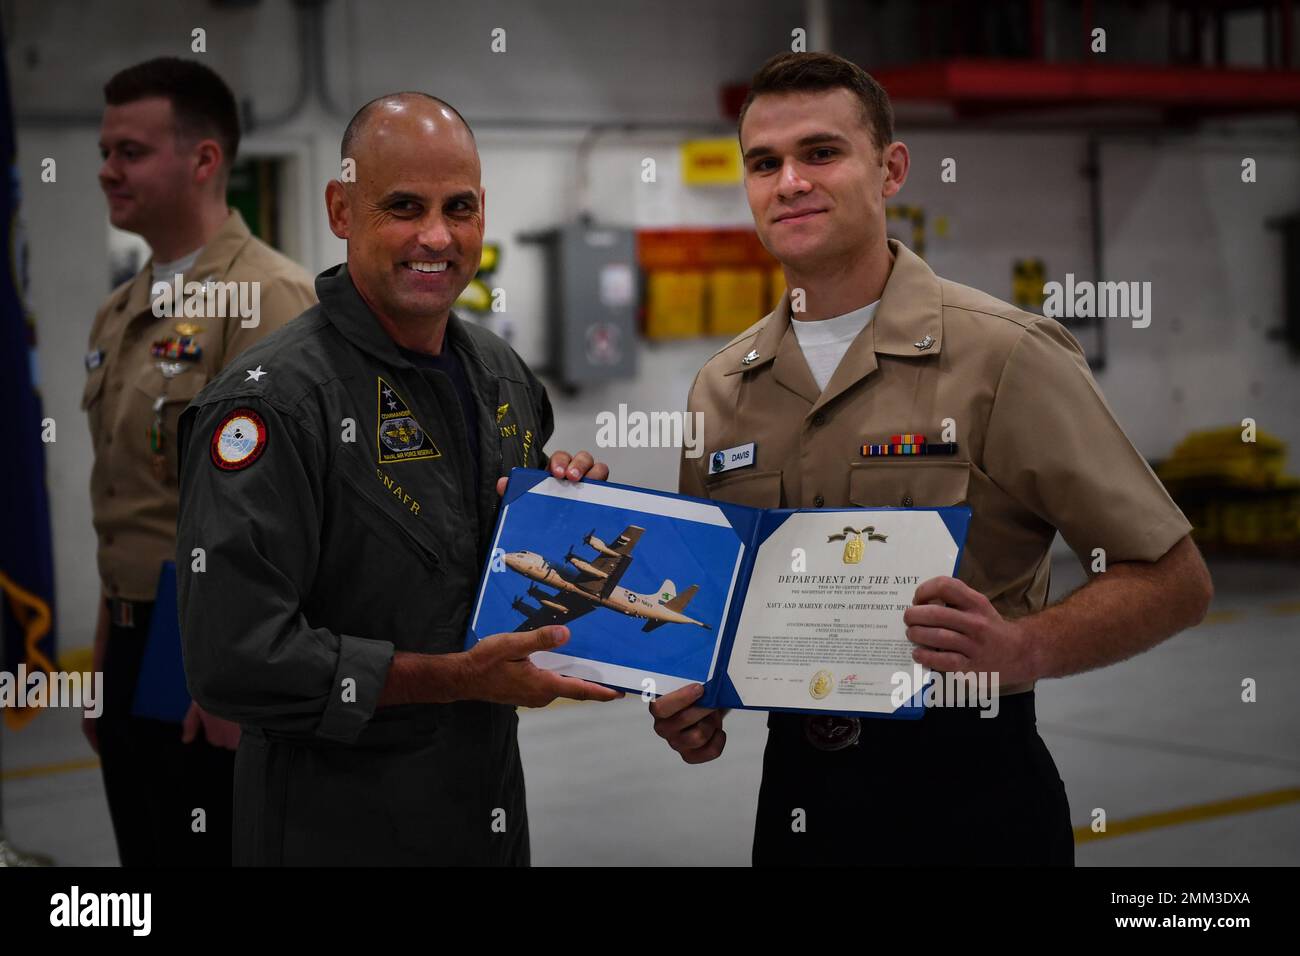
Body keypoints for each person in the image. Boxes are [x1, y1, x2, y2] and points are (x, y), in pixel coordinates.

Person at [650, 52, 1213, 866]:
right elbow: (714, 620)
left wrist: (1026, 649)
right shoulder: (722, 390)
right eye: (764, 163)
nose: (790, 182)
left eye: (821, 152)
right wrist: (694, 706)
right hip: (800, 799)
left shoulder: (1004, 358)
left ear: (890, 169)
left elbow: (1176, 580)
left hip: (971, 795)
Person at [175, 92, 620, 866]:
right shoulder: (272, 403)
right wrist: (453, 679)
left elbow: (485, 566)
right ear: (341, 209)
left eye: (460, 207)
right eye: (404, 206)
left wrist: (562, 498)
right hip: (330, 825)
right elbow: (236, 660)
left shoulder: (504, 378)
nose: (437, 237)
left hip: (484, 812)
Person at [84, 57, 315, 867]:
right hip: (130, 638)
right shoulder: (124, 310)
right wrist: (105, 656)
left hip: (206, 650)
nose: (107, 169)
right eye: (107, 149)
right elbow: (124, 505)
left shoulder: (269, 296)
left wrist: (228, 677)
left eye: (131, 151)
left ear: (205, 160)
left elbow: (278, 511)